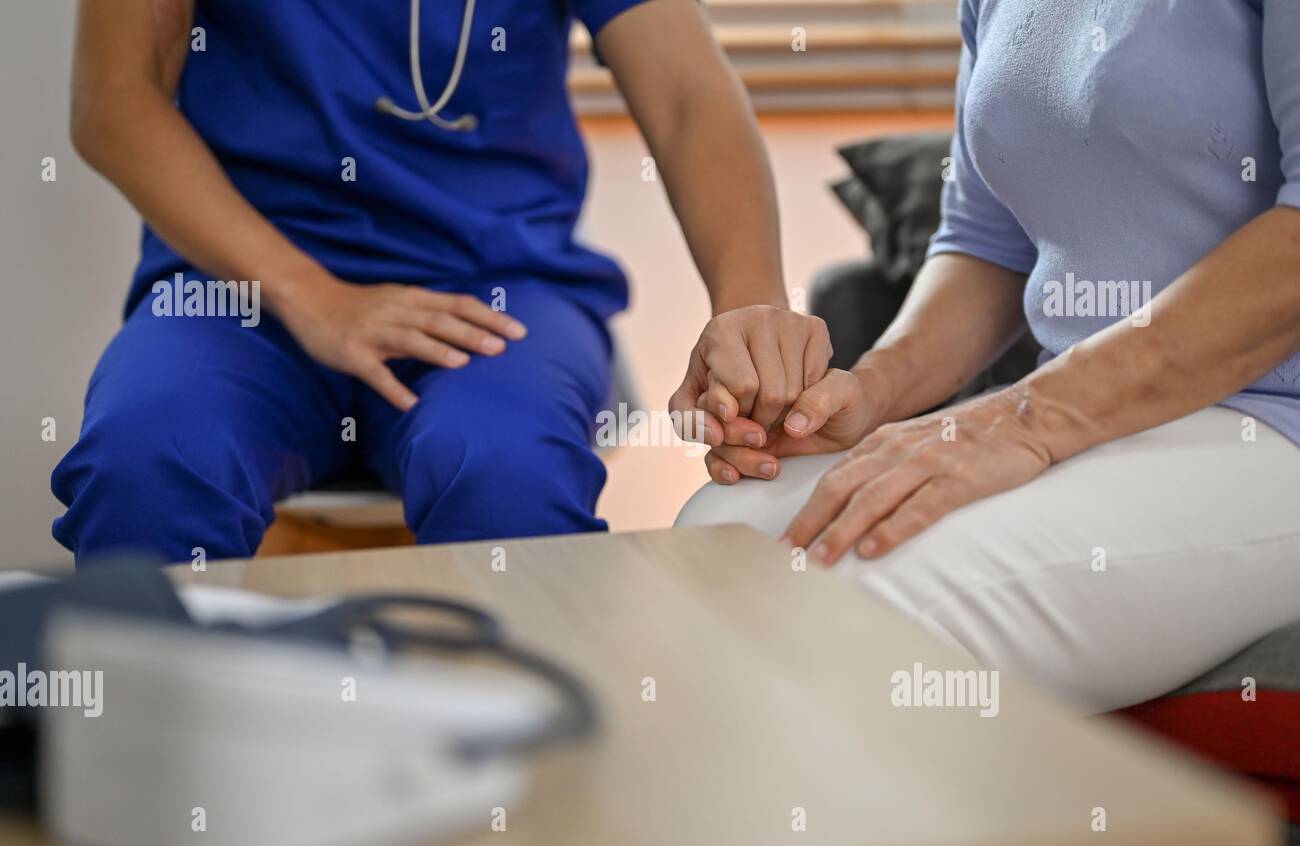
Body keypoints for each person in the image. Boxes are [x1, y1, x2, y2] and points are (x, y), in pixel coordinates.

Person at [678, 0, 1300, 712]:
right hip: (1098, 414)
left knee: (870, 607)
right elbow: (986, 242)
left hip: (1274, 421)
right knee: (720, 537)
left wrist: (1034, 418)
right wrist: (870, 392)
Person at [53, 0, 825, 562]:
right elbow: (114, 99)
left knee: (505, 471)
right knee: (146, 460)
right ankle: (153, 772)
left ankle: (524, 779)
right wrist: (310, 293)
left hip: (491, 285)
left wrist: (749, 304)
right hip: (242, 284)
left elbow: (691, 96)